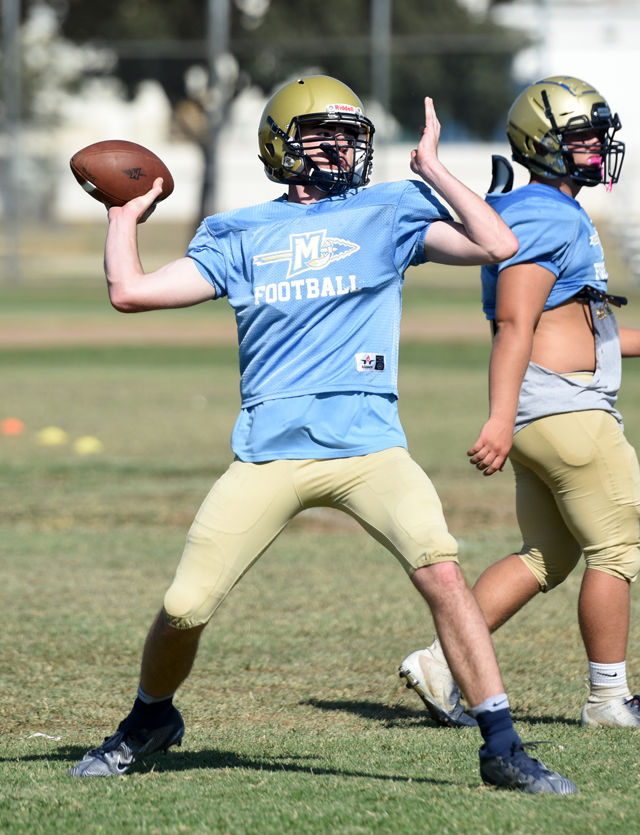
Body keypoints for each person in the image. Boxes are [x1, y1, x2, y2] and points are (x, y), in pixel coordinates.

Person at [67, 75, 578, 794]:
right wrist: (125, 212)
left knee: (441, 569)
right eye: (320, 133)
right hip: (270, 449)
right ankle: (150, 717)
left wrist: (434, 171)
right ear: (280, 145)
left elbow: (498, 242)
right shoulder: (238, 231)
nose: (340, 146)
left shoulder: (390, 208)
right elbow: (132, 292)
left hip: (369, 446)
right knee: (185, 606)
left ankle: (501, 744)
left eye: (350, 134)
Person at [399, 75, 640, 731]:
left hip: (547, 409)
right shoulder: (543, 214)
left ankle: (443, 665)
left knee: (545, 557)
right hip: (565, 411)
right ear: (543, 144)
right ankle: (609, 699)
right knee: (615, 551)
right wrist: (499, 417)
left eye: (596, 136)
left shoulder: (547, 210)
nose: (595, 148)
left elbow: (571, 321)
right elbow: (516, 322)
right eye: (581, 138)